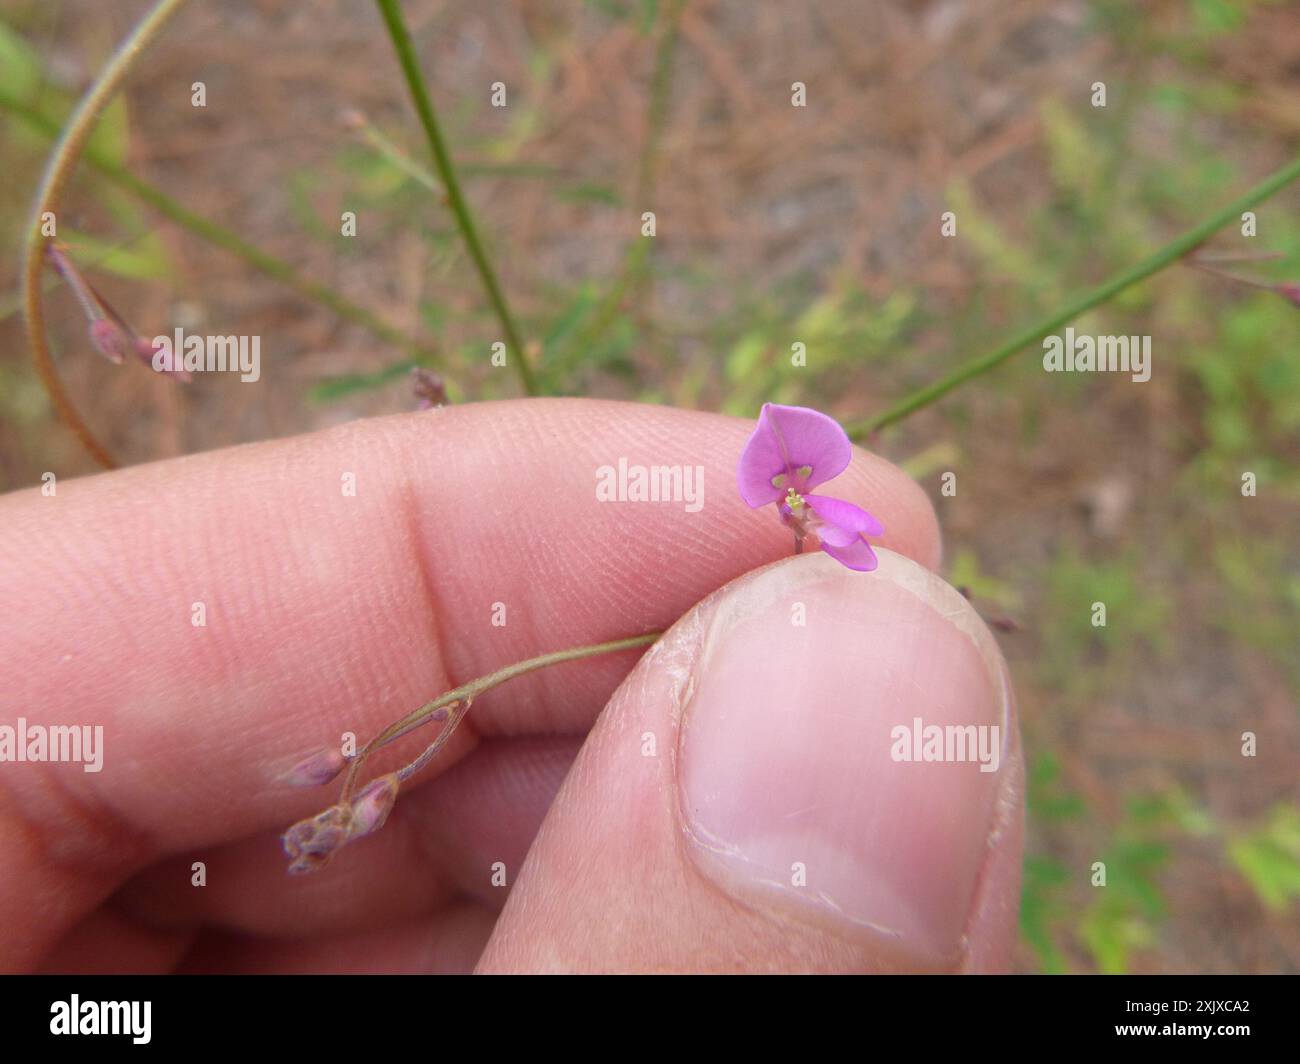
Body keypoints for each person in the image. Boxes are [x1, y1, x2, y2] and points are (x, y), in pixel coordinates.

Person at [0, 399, 1022, 973]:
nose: (802, 501)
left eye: (801, 493)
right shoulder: (790, 504)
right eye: (793, 491)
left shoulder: (798, 508)